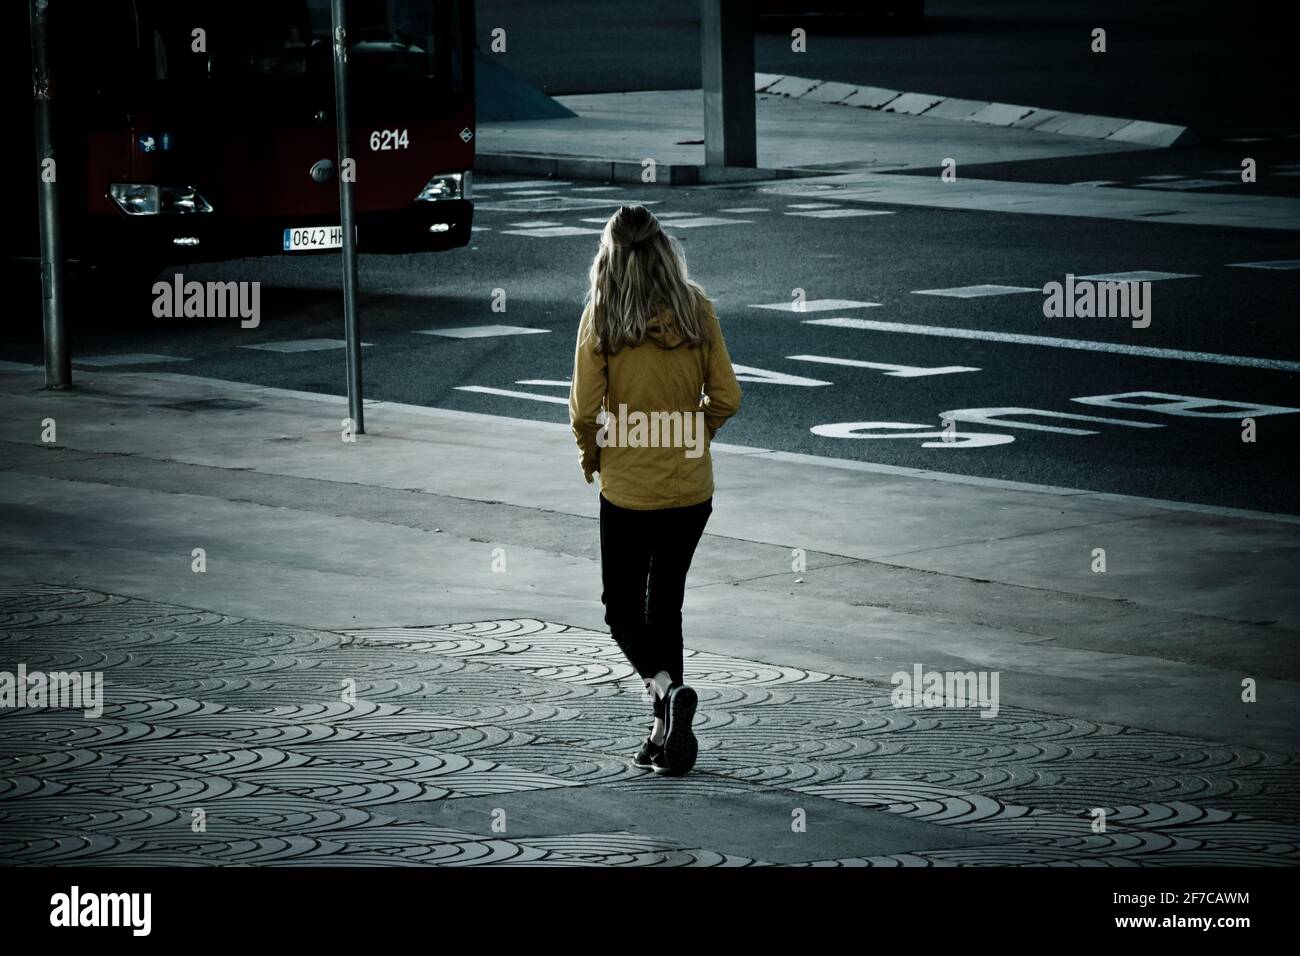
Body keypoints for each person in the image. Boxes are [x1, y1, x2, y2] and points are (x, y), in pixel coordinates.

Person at [568, 204, 742, 776]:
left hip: (629, 492)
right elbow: (727, 397)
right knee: (665, 606)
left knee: (621, 610)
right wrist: (697, 434)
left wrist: (594, 459)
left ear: (611, 257)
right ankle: (663, 735)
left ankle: (667, 695)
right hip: (691, 492)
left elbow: (585, 411)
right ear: (665, 250)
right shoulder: (698, 311)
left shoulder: (604, 319)